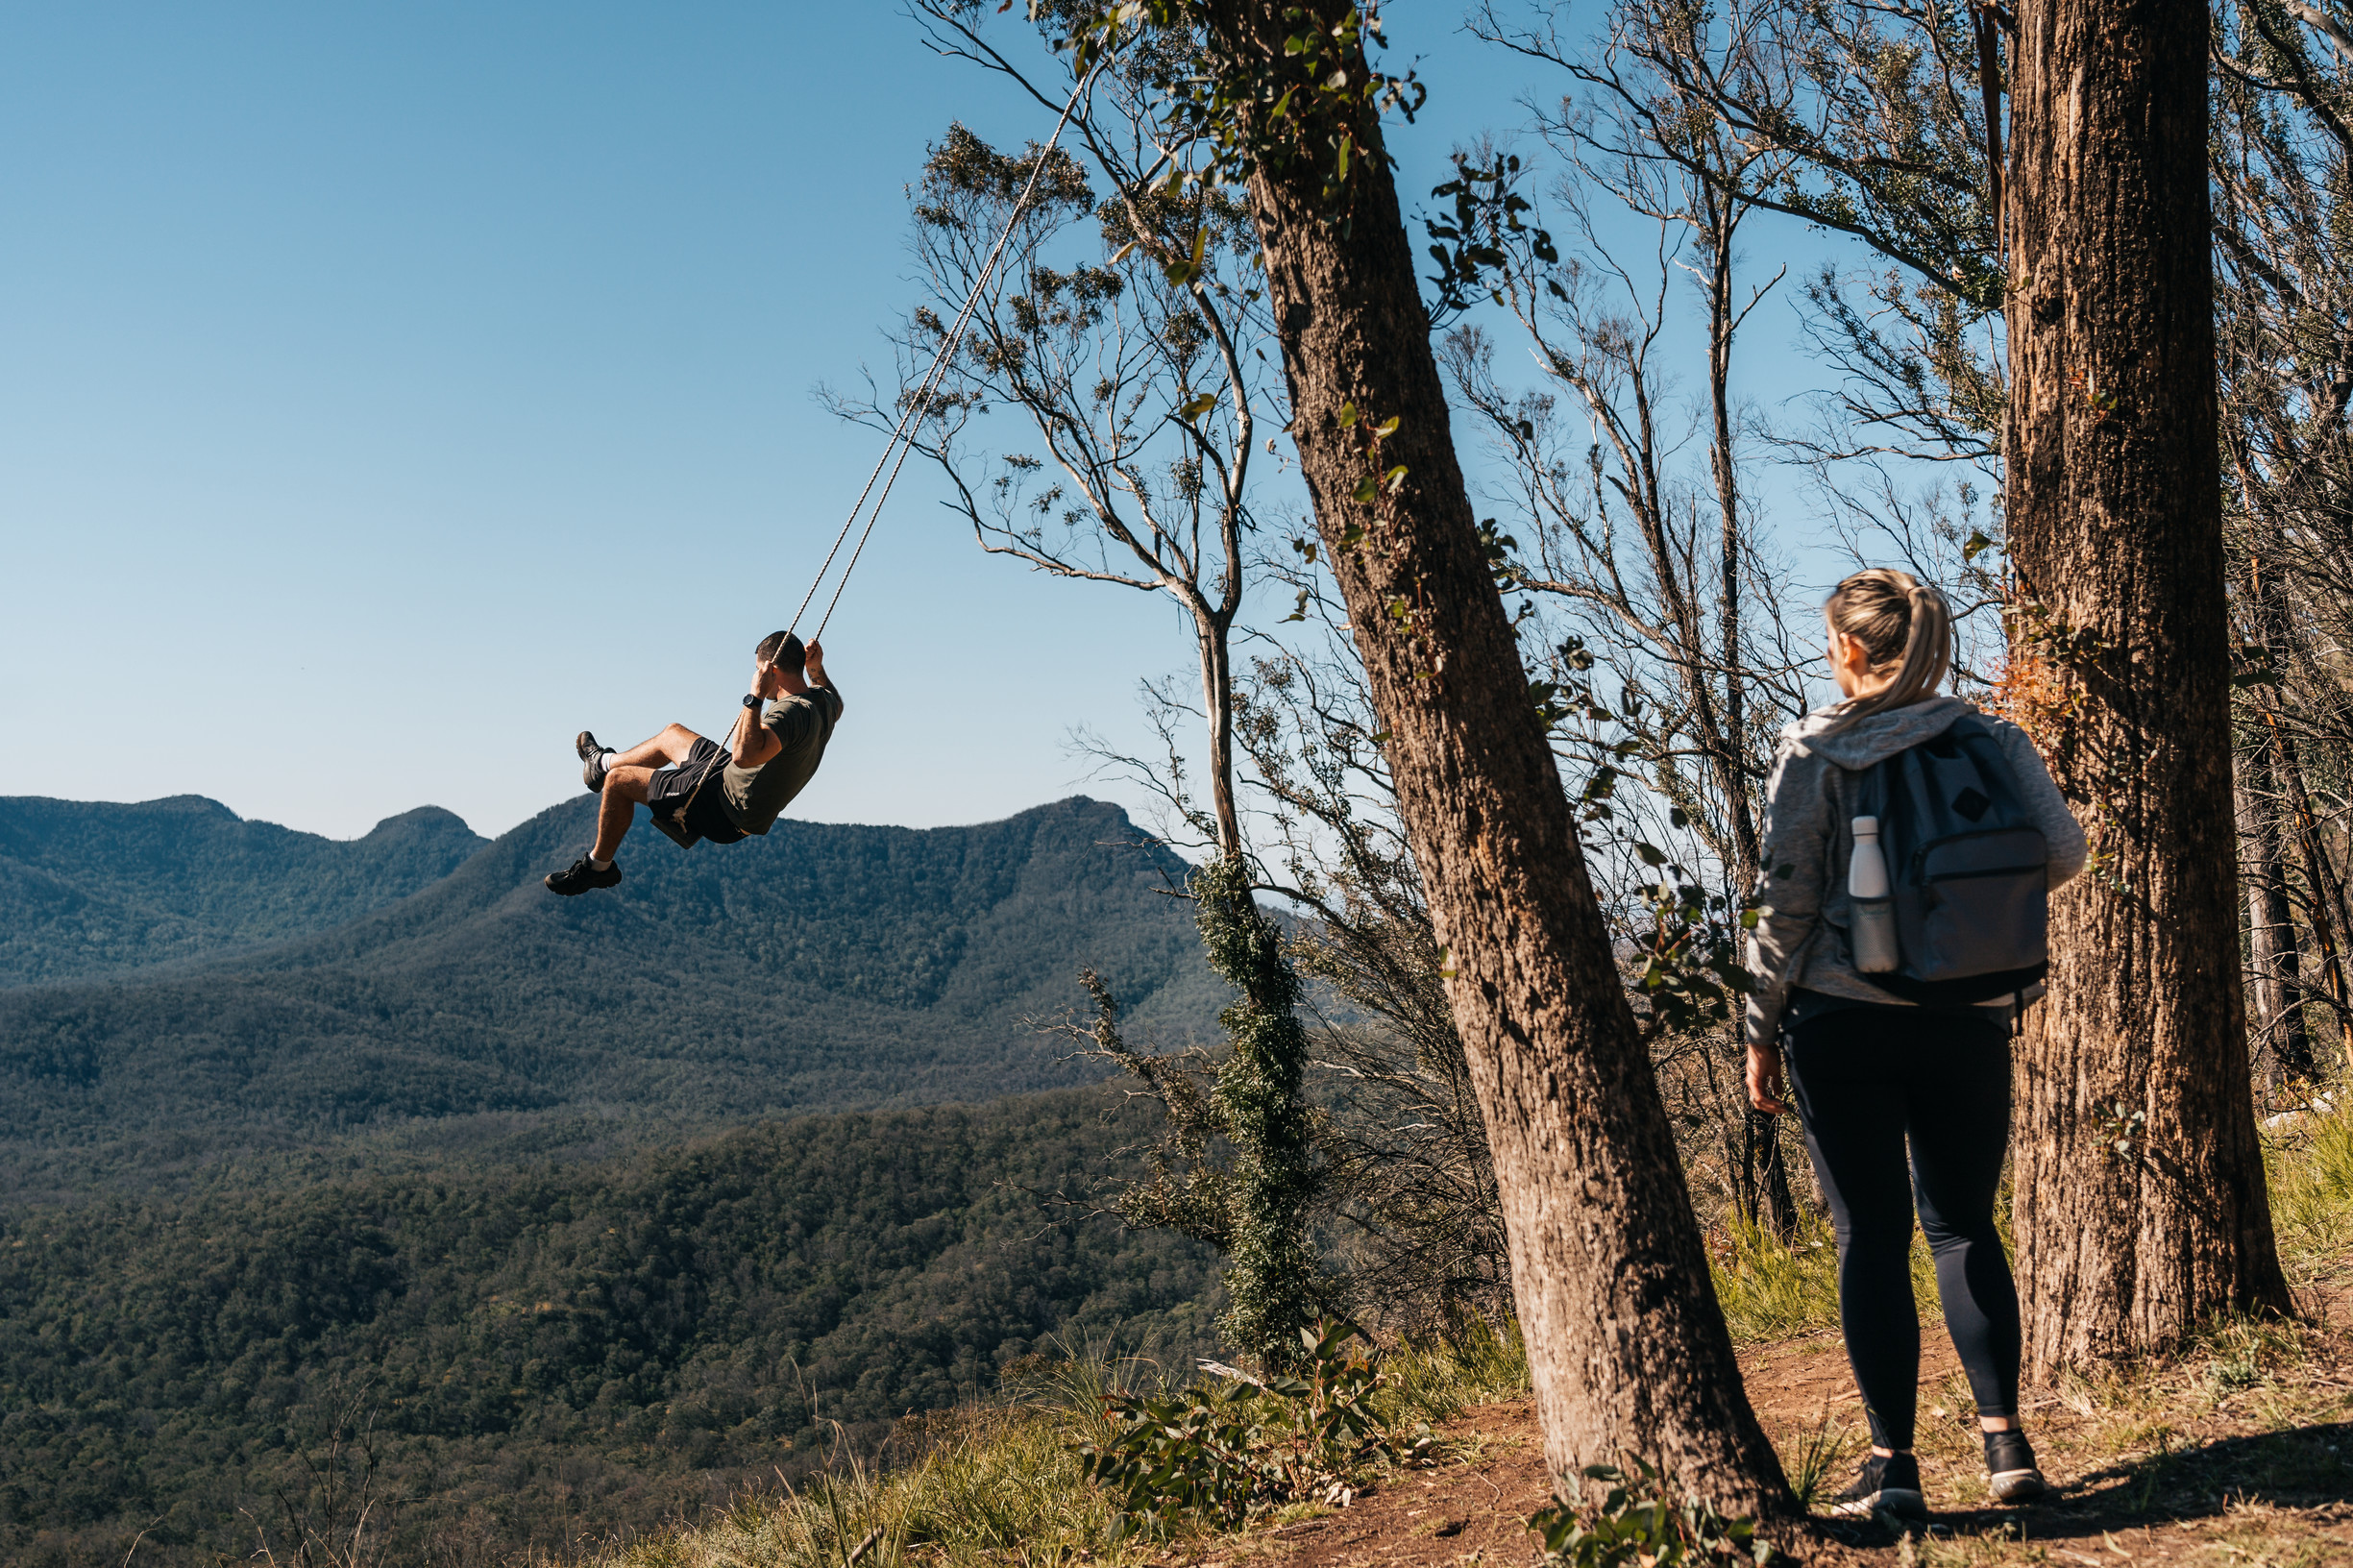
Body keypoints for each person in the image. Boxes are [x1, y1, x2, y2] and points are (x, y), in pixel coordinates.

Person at [1745, 569, 2086, 1521]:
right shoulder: (1991, 739)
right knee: (1964, 1226)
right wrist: (1965, 920)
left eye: (1830, 640)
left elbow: (1784, 904)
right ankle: (2006, 1449)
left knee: (1870, 1236)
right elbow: (2062, 852)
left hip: (1840, 1019)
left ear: (1850, 648)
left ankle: (1892, 1468)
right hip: (1966, 1015)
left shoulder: (1816, 749)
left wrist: (1758, 1028)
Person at [545, 631, 844, 895]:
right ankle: (601, 764)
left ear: (772, 670)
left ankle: (598, 868)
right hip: (726, 778)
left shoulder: (788, 713)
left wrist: (755, 697)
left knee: (619, 782)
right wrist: (815, 668)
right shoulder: (822, 701)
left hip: (725, 810)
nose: (756, 675)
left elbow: (744, 756)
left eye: (758, 669)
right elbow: (836, 701)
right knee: (672, 734)